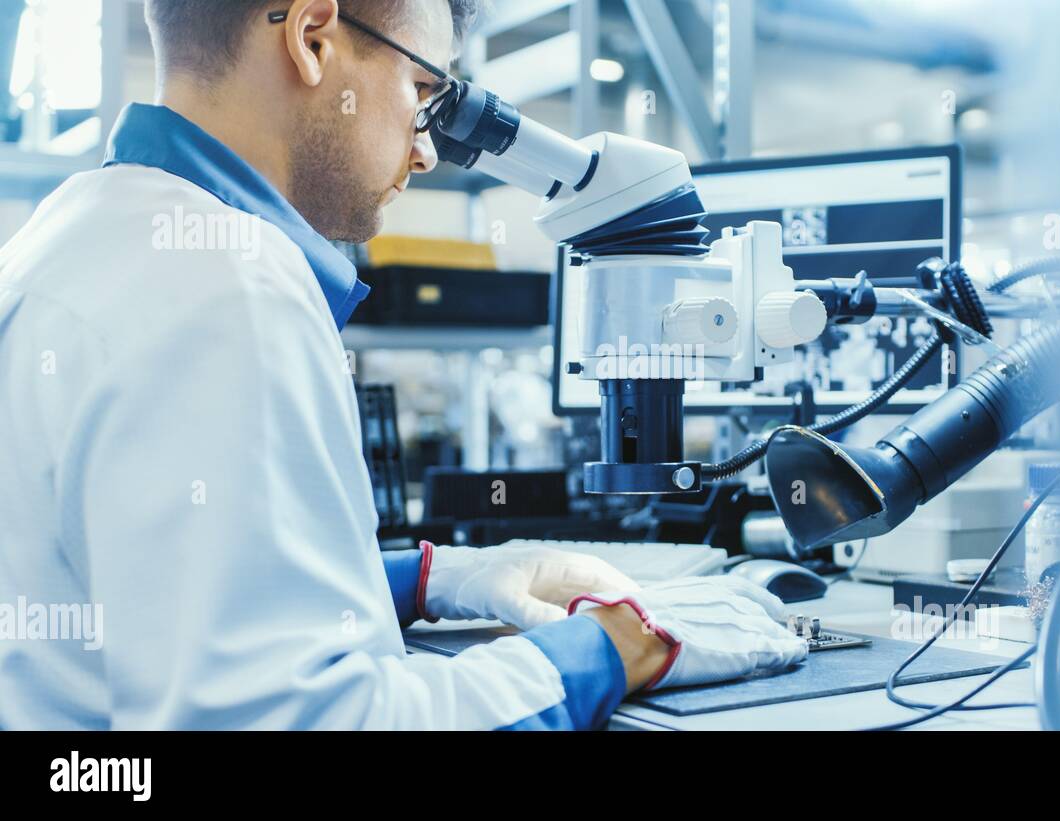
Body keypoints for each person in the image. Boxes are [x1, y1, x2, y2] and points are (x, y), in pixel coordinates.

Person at [0, 0, 808, 730]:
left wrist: (434, 576)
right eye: (424, 94)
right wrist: (614, 647)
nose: (425, 153)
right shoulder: (226, 290)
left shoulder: (75, 231)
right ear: (313, 39)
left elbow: (162, 589)